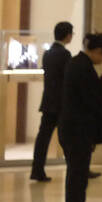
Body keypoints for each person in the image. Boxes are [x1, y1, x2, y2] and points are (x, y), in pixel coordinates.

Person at [58, 32, 102, 202]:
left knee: (76, 179)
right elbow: (92, 102)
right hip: (78, 132)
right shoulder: (83, 68)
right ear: (99, 51)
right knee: (77, 181)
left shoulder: (77, 63)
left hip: (72, 130)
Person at [31, 22, 77, 183]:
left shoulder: (48, 53)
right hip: (61, 104)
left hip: (48, 102)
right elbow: (68, 80)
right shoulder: (65, 55)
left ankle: (37, 169)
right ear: (67, 35)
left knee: (43, 138)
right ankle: (78, 168)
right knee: (71, 139)